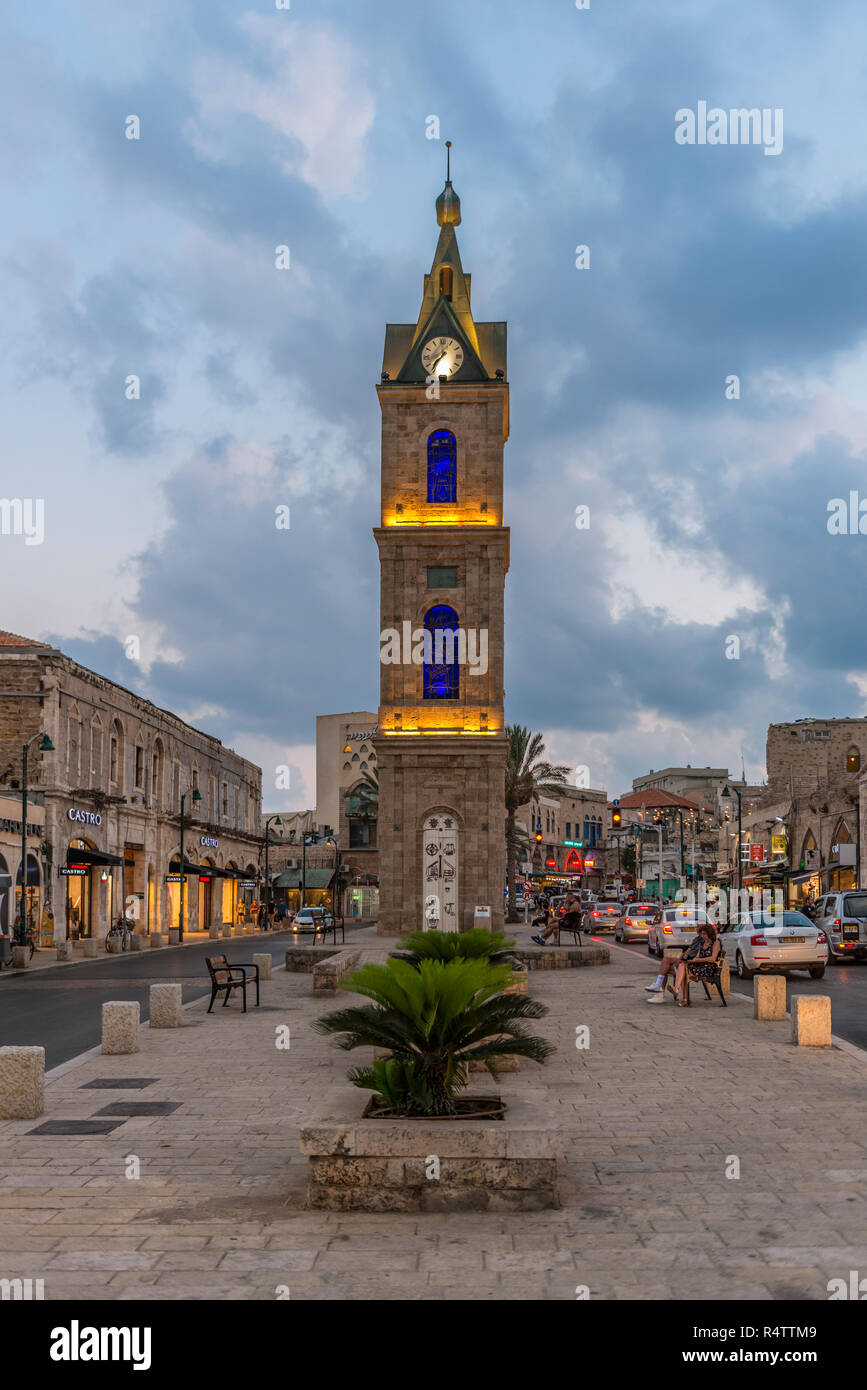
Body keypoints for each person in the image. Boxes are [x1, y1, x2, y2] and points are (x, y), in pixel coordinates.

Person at [645, 922, 721, 1004]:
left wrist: (695, 960)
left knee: (674, 967)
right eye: (701, 933)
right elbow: (697, 956)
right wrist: (690, 959)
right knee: (674, 965)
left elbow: (713, 958)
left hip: (708, 968)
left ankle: (664, 992)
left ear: (709, 934)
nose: (702, 935)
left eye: (704, 934)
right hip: (698, 965)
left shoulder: (716, 943)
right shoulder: (702, 942)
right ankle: (673, 990)